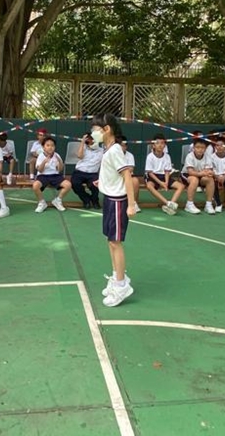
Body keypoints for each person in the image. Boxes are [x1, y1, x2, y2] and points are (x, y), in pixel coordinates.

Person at [91, 114, 138, 307]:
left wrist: (131, 204)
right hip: (110, 199)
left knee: (115, 243)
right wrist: (102, 182)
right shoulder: (108, 149)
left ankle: (121, 286)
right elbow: (114, 174)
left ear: (107, 129)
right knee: (110, 242)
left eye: (95, 129)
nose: (93, 134)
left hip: (118, 202)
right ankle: (117, 277)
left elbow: (127, 176)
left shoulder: (116, 149)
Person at [144, 133, 184, 215]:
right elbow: (150, 173)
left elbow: (167, 171)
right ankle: (167, 203)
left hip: (164, 176)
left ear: (165, 145)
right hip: (153, 176)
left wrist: (166, 182)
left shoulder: (167, 156)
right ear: (153, 145)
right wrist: (160, 183)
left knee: (181, 186)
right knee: (149, 186)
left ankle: (171, 205)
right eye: (157, 143)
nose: (160, 145)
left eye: (162, 143)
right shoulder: (150, 157)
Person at [33, 137, 71, 212]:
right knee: (35, 186)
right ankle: (42, 202)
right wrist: (44, 162)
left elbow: (59, 169)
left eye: (52, 145)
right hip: (43, 175)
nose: (50, 147)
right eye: (48, 145)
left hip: (55, 175)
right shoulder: (40, 156)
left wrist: (60, 162)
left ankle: (58, 200)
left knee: (68, 185)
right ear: (43, 147)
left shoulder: (57, 155)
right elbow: (40, 170)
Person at [182, 138, 215, 214]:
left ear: (205, 148)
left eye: (202, 148)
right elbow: (190, 172)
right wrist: (202, 173)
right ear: (193, 148)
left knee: (210, 179)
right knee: (194, 179)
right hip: (187, 175)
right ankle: (189, 204)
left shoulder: (207, 157)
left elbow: (208, 171)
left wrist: (210, 173)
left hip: (201, 175)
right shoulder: (190, 156)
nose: (200, 150)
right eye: (197, 147)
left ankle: (208, 205)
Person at [72, 132, 103, 209]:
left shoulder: (102, 151)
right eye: (88, 139)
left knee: (94, 185)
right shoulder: (84, 147)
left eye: (91, 139)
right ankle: (86, 200)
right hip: (79, 172)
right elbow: (79, 156)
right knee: (75, 184)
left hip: (92, 173)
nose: (89, 141)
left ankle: (95, 200)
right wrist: (82, 142)